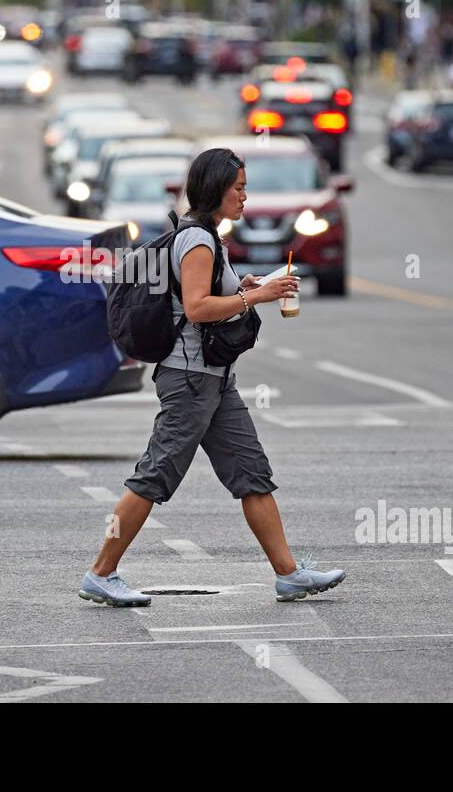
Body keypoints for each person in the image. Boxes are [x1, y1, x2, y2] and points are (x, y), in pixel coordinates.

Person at [79, 147, 348, 608]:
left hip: (215, 380)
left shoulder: (207, 238)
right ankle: (101, 572)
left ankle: (288, 574)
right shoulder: (199, 241)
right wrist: (259, 296)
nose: (245, 197)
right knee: (154, 477)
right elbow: (200, 308)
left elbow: (198, 298)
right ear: (214, 189)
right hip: (189, 380)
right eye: (238, 188)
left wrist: (242, 287)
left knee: (251, 473)